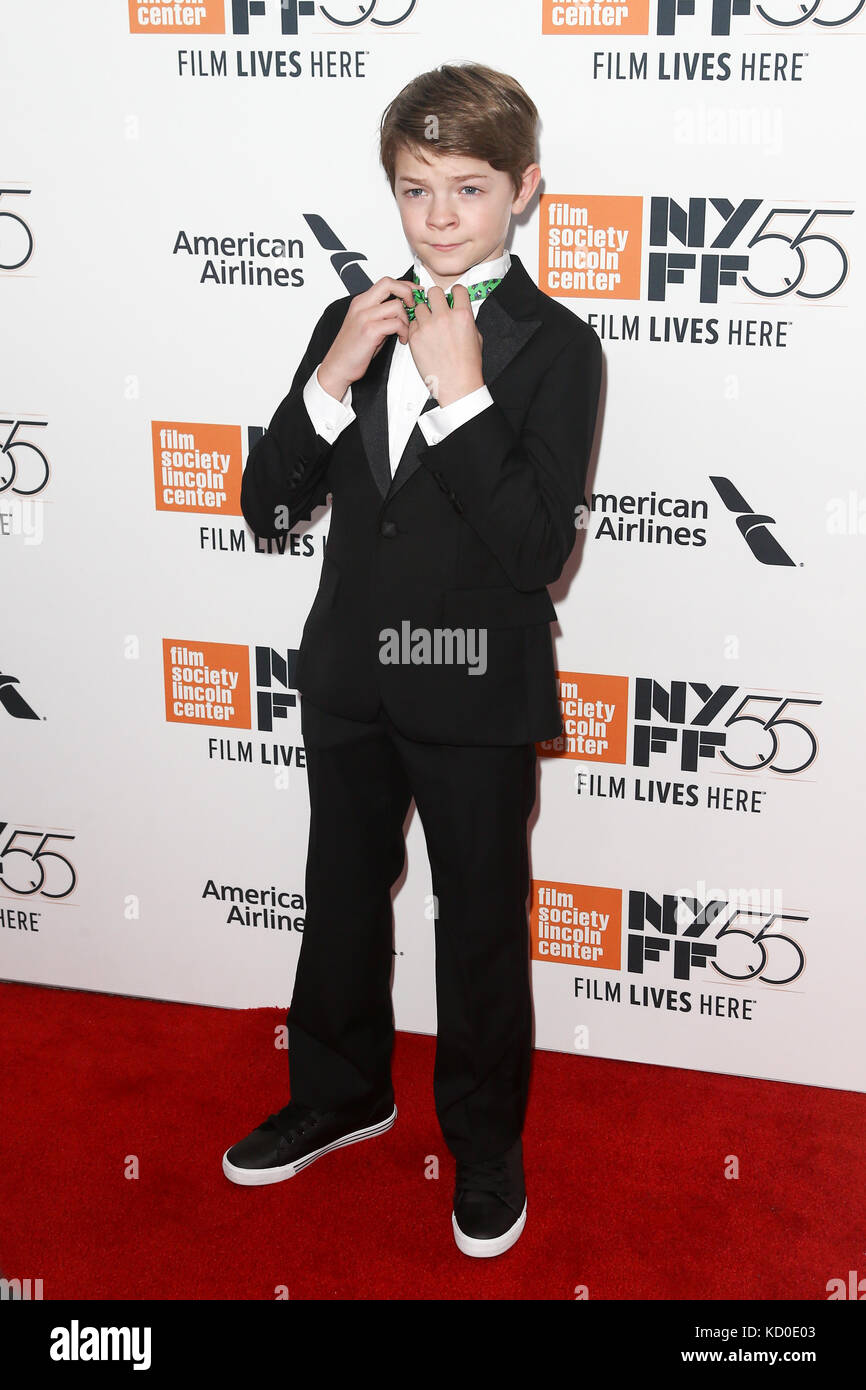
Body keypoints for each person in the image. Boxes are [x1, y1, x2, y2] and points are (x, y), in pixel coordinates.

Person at [224, 61, 602, 1259]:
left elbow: (539, 550)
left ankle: (484, 1145)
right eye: (414, 189)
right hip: (345, 678)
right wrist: (333, 378)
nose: (439, 218)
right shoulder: (350, 321)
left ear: (523, 190)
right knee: (337, 901)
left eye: (469, 189)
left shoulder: (555, 346)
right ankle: (341, 1090)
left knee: (477, 921)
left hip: (476, 690)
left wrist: (461, 401)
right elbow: (264, 507)